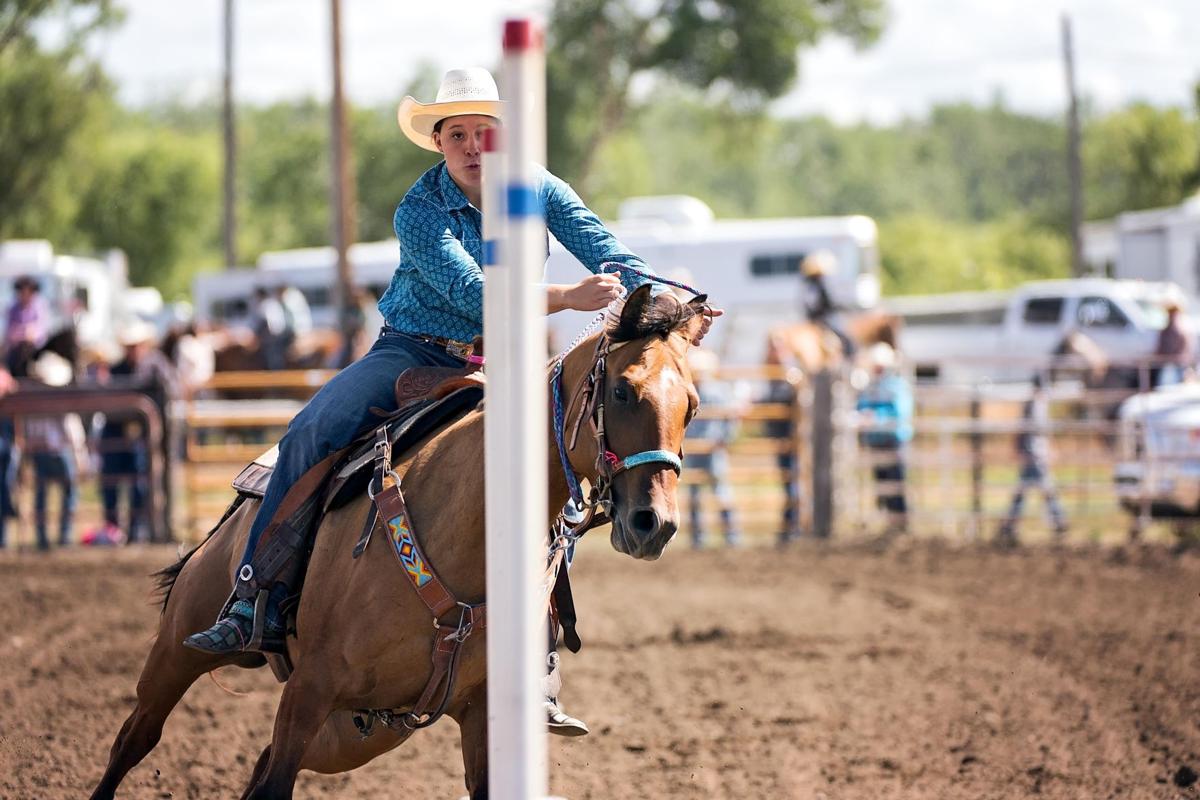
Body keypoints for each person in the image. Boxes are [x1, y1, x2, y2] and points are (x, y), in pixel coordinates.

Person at [182, 68, 718, 734]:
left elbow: (604, 247)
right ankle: (253, 597)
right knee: (312, 432)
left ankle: (538, 660)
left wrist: (666, 303)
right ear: (438, 142)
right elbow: (474, 295)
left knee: (559, 471)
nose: (471, 147)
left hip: (504, 362)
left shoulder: (537, 189)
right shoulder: (420, 209)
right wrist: (566, 299)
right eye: (456, 134)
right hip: (412, 353)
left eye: (483, 133)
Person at [23, 352, 87, 550]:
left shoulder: (33, 400)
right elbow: (72, 430)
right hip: (59, 451)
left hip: (42, 451)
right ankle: (63, 536)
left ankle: (45, 537)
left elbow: (29, 428)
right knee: (68, 493)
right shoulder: (59, 400)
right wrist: (80, 456)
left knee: (42, 495)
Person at [997, 373, 1067, 546]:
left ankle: (1010, 525)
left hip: (1034, 454)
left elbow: (1030, 430)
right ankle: (1058, 521)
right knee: (1045, 489)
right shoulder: (1036, 405)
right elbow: (1035, 430)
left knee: (1025, 491)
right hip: (1035, 455)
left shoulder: (1034, 404)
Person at [682, 349, 743, 548]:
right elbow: (731, 419)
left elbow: (730, 418)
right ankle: (726, 536)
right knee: (711, 491)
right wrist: (726, 438)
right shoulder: (715, 391)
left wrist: (724, 439)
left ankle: (709, 537)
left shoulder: (694, 392)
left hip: (707, 447)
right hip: (705, 447)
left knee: (710, 491)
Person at [855, 343, 912, 535]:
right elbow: (861, 406)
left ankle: (900, 525)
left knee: (895, 484)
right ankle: (890, 524)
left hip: (892, 440)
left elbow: (900, 412)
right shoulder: (872, 386)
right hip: (877, 440)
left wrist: (874, 418)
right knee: (882, 484)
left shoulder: (895, 386)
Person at [764, 333, 803, 543]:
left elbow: (791, 407)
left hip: (790, 438)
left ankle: (793, 526)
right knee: (788, 480)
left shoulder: (789, 375)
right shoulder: (773, 375)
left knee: (794, 481)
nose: (773, 351)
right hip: (782, 438)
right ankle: (790, 525)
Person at [800, 251, 855, 358]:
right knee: (847, 339)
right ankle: (848, 360)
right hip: (824, 319)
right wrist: (842, 307)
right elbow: (829, 302)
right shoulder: (821, 283)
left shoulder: (807, 283)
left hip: (811, 319)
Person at [5, 275, 49, 374]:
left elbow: (39, 331)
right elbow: (10, 332)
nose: (24, 294)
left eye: (28, 291)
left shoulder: (39, 306)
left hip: (36, 350)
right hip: (16, 351)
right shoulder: (13, 308)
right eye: (22, 291)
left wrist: (26, 333)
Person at [1153, 301, 1192, 387]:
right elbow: (1161, 347)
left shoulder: (1182, 331)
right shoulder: (1165, 331)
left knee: (1179, 383)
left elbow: (1185, 347)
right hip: (1166, 361)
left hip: (1177, 362)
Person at [250, 287, 287, 370]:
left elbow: (267, 323)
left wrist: (260, 335)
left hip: (273, 336)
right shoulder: (271, 303)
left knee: (270, 354)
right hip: (276, 333)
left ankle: (274, 371)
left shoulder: (265, 304)